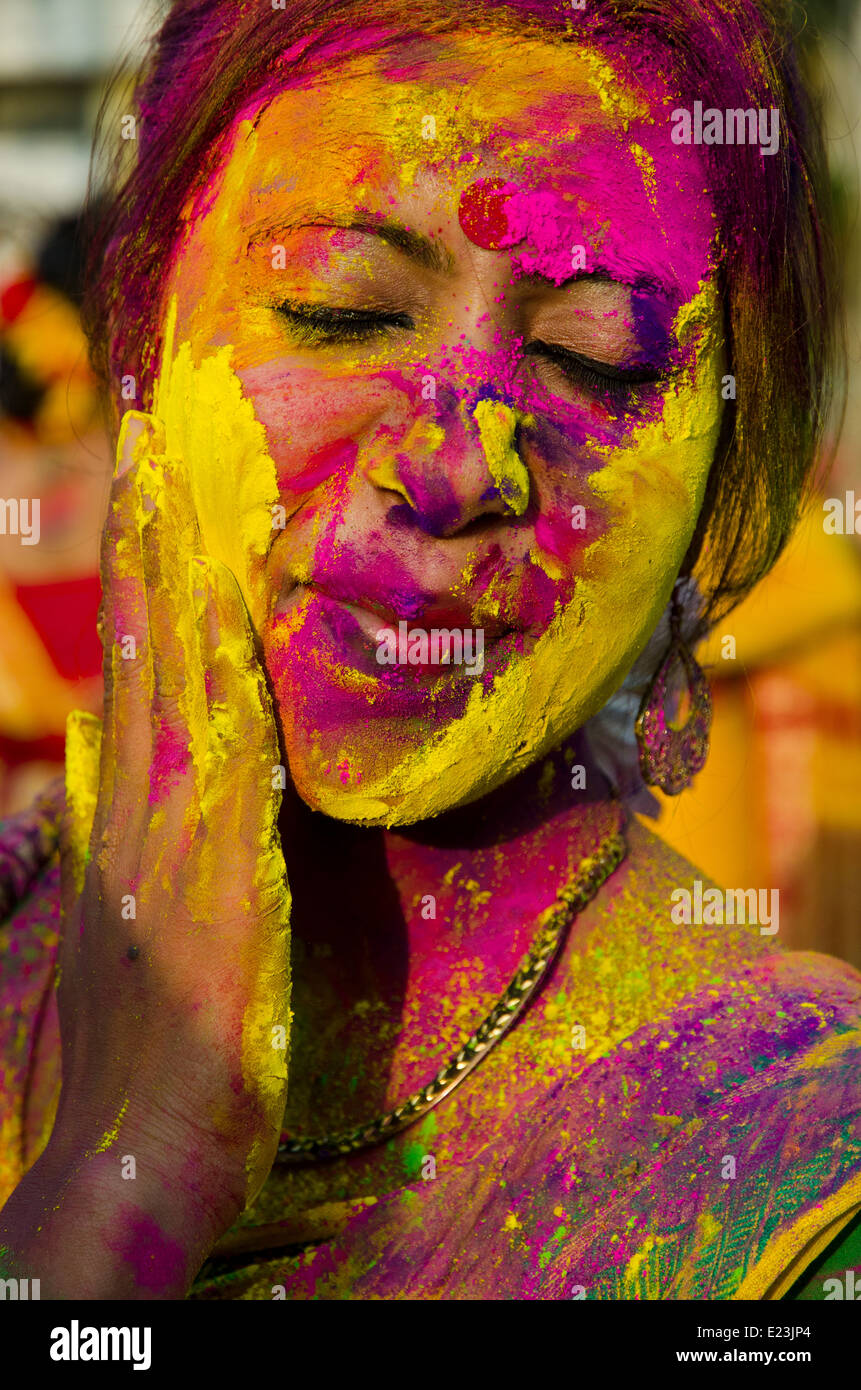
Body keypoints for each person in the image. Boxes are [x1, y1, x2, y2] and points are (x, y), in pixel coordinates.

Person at [0, 0, 858, 1300]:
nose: (453, 467)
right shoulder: (14, 921)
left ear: (719, 485)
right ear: (141, 341)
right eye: (338, 309)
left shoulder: (790, 1147)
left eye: (591, 362)